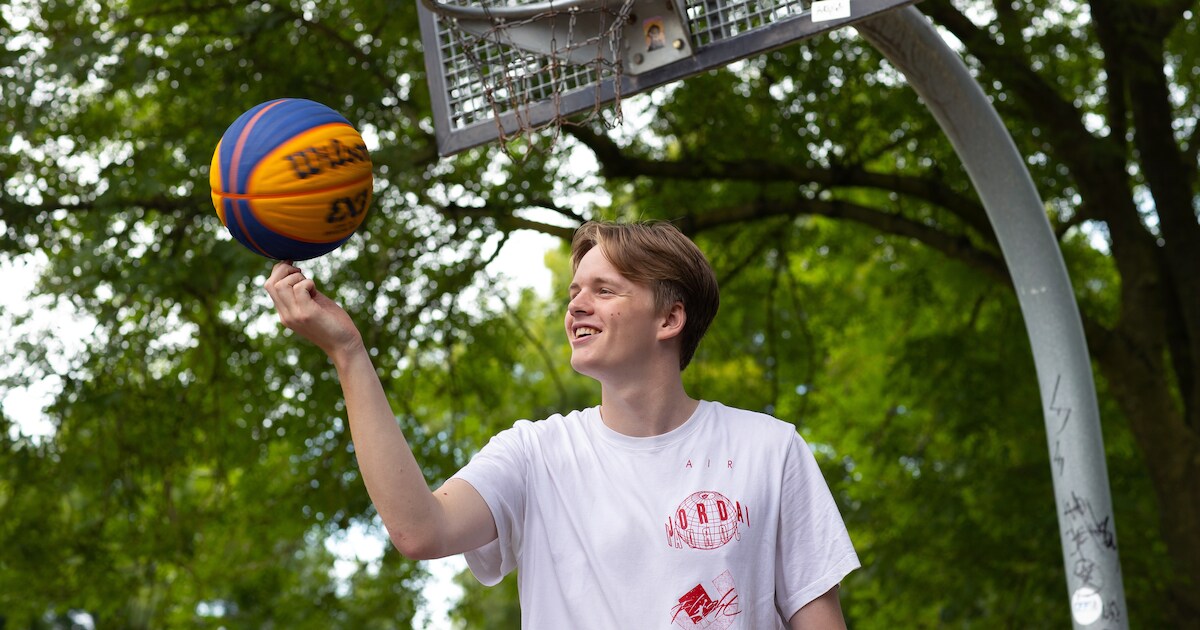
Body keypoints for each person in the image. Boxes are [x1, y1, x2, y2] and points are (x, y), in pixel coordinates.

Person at [265, 220, 859, 628]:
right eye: (575, 291)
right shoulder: (535, 454)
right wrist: (348, 353)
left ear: (670, 317)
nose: (576, 305)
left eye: (605, 290)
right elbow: (420, 530)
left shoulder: (768, 449)